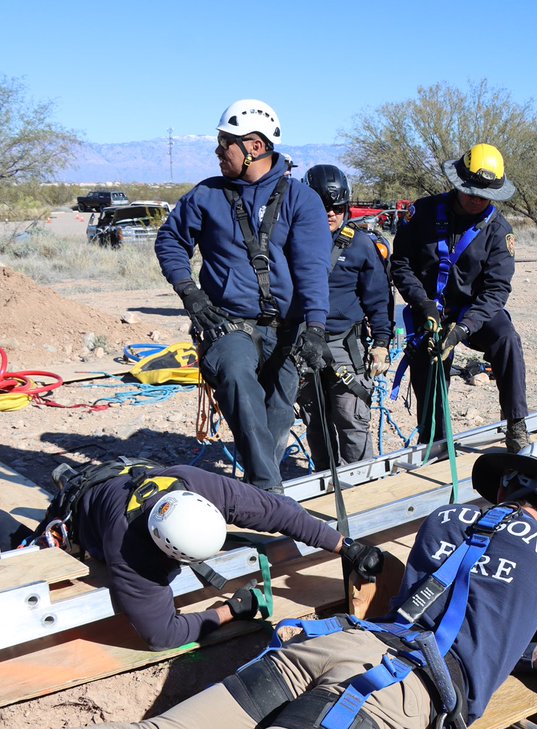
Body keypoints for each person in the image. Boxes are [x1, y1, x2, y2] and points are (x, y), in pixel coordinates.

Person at [0, 441, 537, 729]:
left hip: (332, 647)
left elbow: (444, 607)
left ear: (501, 487)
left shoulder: (444, 519)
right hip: (390, 695)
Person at [156, 99, 332, 492]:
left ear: (254, 146)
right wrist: (191, 294)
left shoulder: (301, 200)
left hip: (287, 329)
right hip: (227, 324)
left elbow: (312, 269)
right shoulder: (206, 196)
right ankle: (270, 497)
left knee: (277, 416)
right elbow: (170, 240)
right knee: (237, 381)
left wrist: (316, 328)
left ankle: (257, 492)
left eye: (225, 144)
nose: (218, 152)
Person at [20, 460, 378, 651]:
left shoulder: (201, 486)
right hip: (85, 510)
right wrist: (230, 611)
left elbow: (280, 512)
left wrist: (347, 546)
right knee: (24, 548)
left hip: (129, 471)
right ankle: (65, 489)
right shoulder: (130, 554)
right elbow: (162, 636)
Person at [390, 143, 530, 453]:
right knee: (428, 362)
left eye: (484, 196)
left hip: (474, 313)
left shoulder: (498, 231)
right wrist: (422, 303)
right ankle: (435, 441)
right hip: (429, 308)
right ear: (458, 183)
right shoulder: (423, 213)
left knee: (507, 339)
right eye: (471, 192)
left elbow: (496, 291)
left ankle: (517, 424)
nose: (476, 200)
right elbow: (400, 263)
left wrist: (464, 327)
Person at [298, 164, 394, 470]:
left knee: (351, 418)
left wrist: (381, 342)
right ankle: (326, 483)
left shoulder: (361, 245)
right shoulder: (291, 242)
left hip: (344, 346)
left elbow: (379, 299)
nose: (330, 213)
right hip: (303, 346)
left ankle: (364, 487)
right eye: (322, 206)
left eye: (337, 207)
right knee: (315, 421)